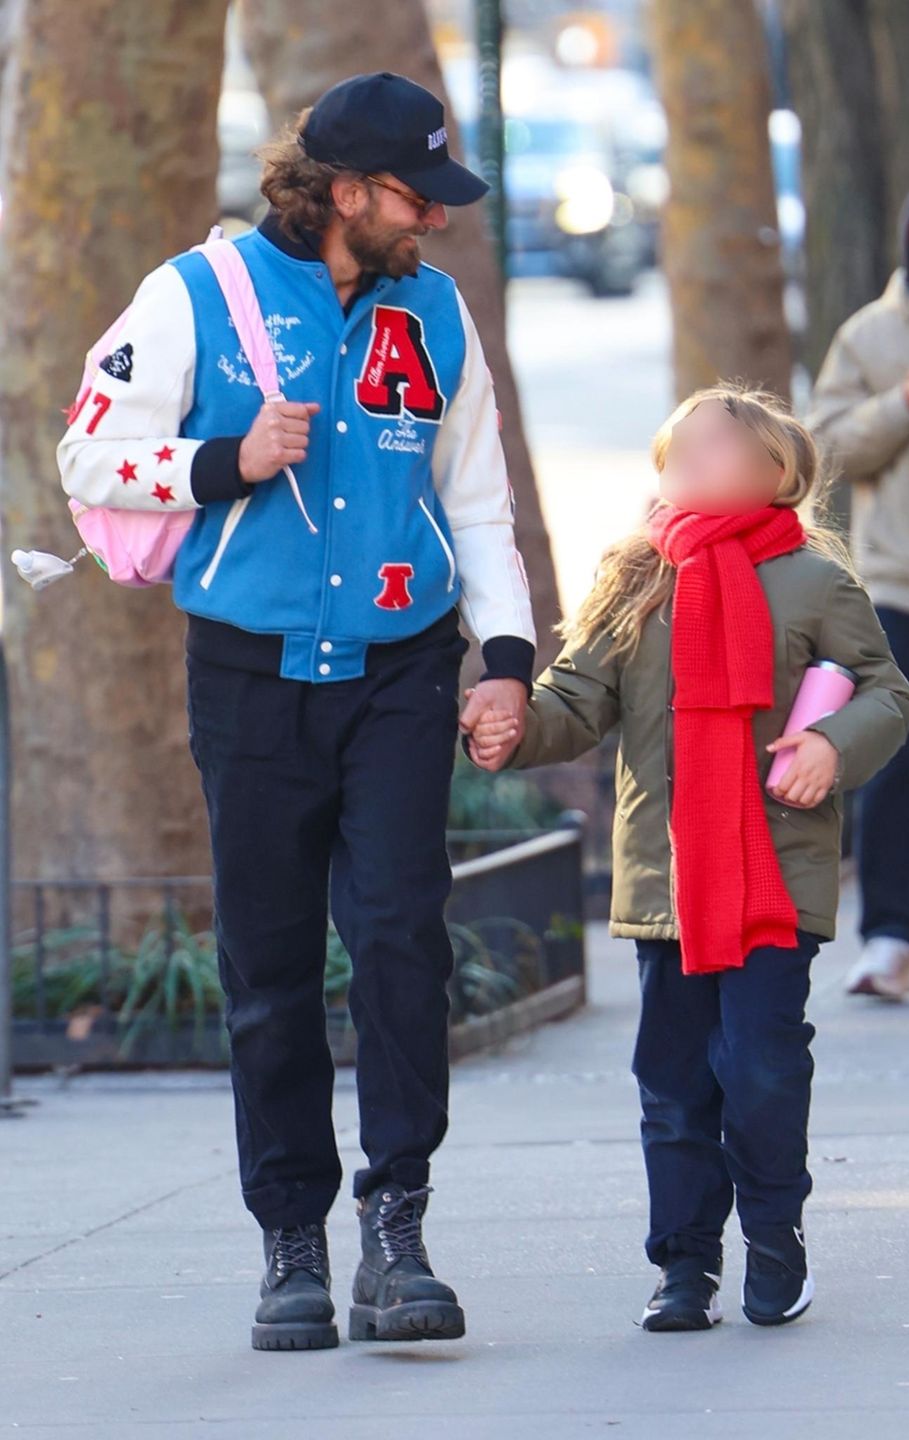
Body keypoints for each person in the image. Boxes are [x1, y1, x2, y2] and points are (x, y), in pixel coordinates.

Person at [58, 72, 536, 1351]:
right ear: (337, 191)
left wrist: (502, 660)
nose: (431, 221)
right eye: (411, 196)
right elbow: (89, 456)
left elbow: (477, 499)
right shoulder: (191, 295)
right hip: (250, 674)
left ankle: (399, 1227)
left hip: (398, 672)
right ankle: (290, 1244)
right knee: (268, 972)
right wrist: (225, 463)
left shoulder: (436, 312)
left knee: (400, 942)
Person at [467, 386, 909, 1331]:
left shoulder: (813, 580)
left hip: (771, 877)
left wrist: (831, 745)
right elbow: (576, 698)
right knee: (672, 1084)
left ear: (775, 474)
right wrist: (516, 724)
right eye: (678, 453)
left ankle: (774, 1235)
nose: (687, 467)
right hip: (664, 881)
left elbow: (886, 693)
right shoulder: (636, 578)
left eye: (714, 450)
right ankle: (683, 1265)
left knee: (758, 1066)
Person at [808, 170, 909, 1002]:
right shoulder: (870, 336)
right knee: (894, 763)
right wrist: (902, 406)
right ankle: (890, 939)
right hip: (901, 581)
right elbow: (822, 446)